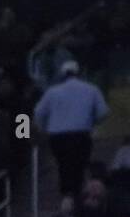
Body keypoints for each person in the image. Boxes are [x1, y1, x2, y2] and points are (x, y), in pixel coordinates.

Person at [33, 60, 108, 196]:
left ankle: (66, 196)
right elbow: (103, 112)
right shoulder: (91, 89)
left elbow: (38, 112)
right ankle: (77, 195)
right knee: (79, 167)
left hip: (58, 137)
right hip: (81, 134)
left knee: (63, 166)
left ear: (62, 75)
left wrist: (42, 129)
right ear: (79, 73)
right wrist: (92, 122)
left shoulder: (52, 92)